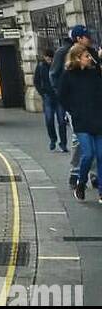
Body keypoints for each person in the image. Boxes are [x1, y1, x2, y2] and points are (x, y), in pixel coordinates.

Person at [52, 26, 98, 190]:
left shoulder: (91, 52)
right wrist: (70, 104)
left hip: (91, 107)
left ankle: (94, 174)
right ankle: (76, 173)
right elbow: (54, 76)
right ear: (79, 38)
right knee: (78, 140)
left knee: (92, 142)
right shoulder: (63, 52)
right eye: (86, 36)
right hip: (75, 106)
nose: (89, 38)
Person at [58, 42, 102, 202]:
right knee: (88, 154)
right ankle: (81, 183)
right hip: (81, 121)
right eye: (86, 56)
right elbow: (62, 97)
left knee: (101, 155)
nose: (89, 58)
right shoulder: (68, 76)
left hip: (97, 118)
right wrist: (74, 111)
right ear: (77, 58)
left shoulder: (93, 74)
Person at [34, 50, 68, 153]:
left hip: (59, 97)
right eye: (48, 58)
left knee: (62, 121)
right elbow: (36, 81)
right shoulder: (40, 66)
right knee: (49, 120)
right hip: (48, 96)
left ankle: (63, 143)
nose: (50, 60)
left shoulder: (58, 65)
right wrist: (42, 93)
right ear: (44, 57)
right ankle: (53, 139)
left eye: (51, 58)